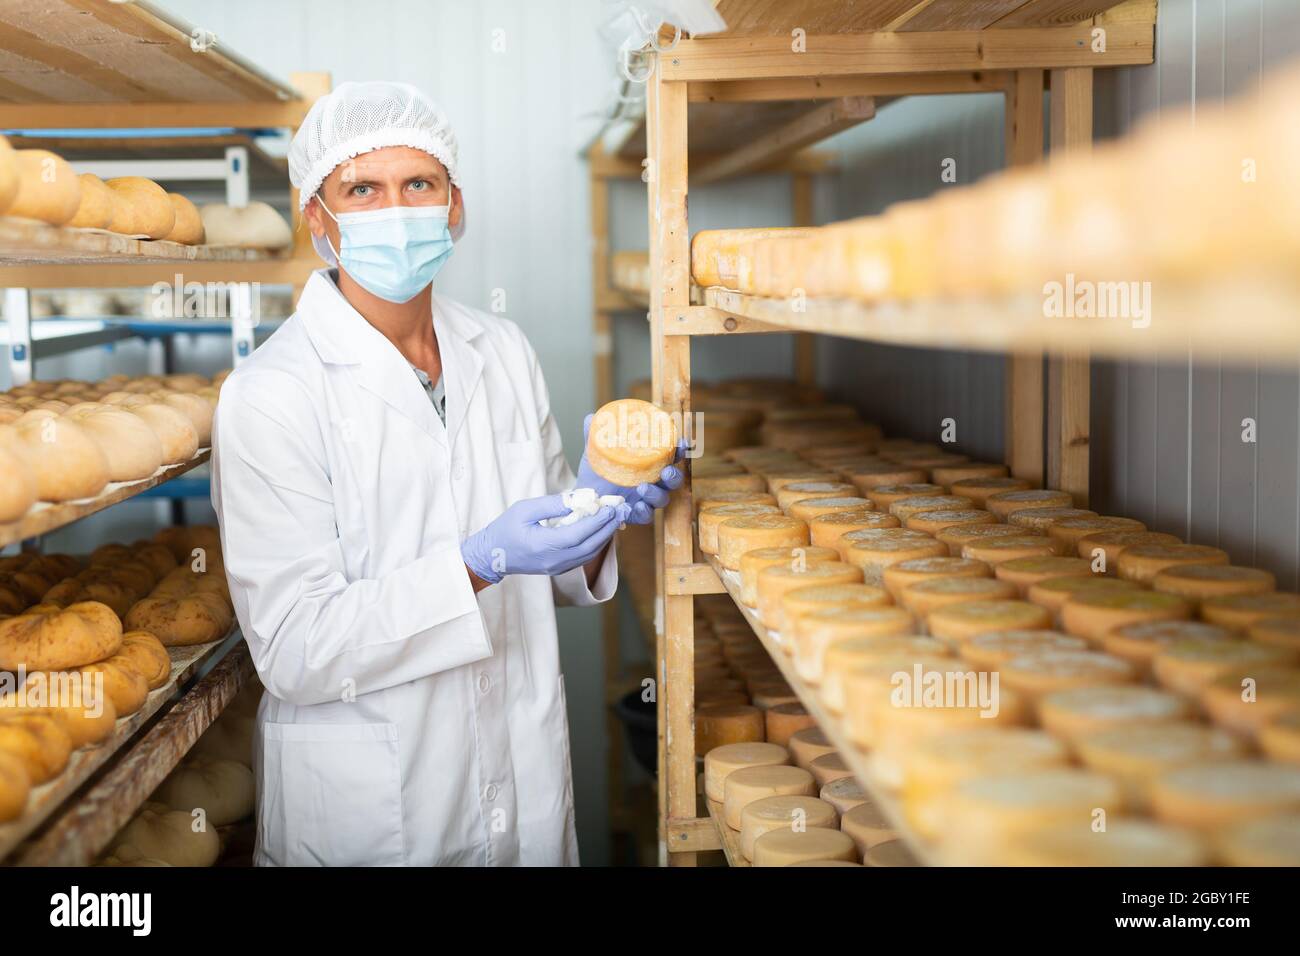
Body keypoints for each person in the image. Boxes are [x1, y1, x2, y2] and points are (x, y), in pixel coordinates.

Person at [210, 81, 681, 866]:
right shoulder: (270, 394)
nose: (395, 208)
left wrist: (603, 500)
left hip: (519, 775)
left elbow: (554, 565)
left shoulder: (500, 349)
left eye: (417, 184)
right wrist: (474, 563)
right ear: (316, 217)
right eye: (362, 188)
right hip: (376, 806)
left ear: (454, 206)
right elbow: (295, 647)